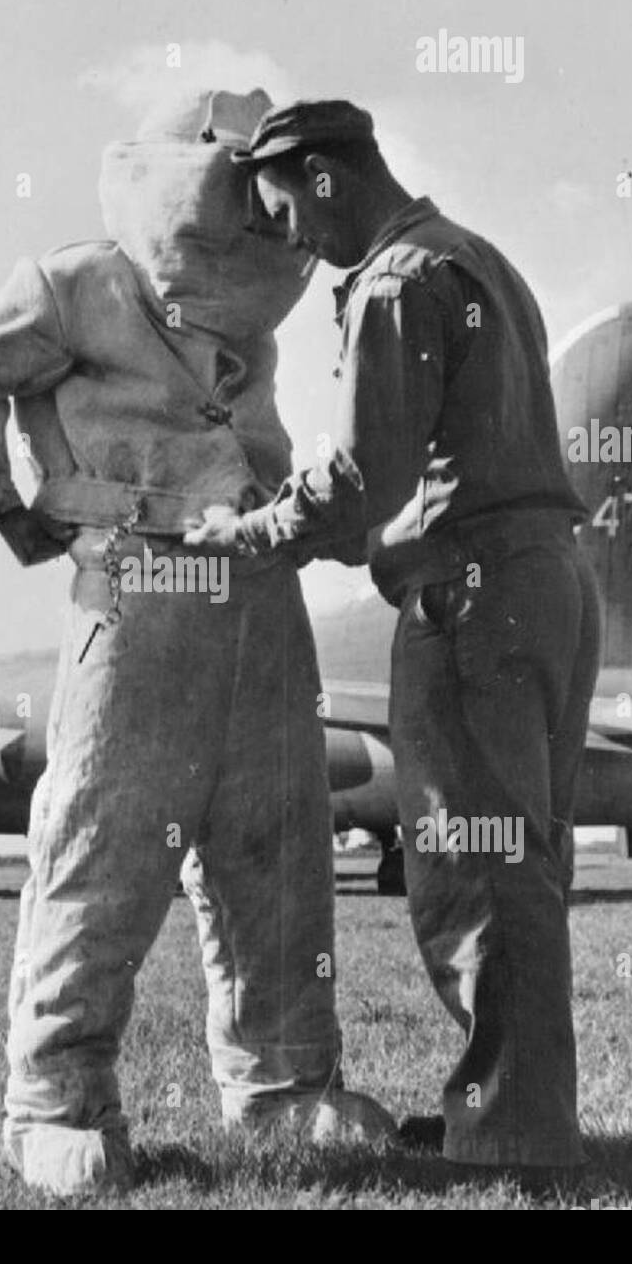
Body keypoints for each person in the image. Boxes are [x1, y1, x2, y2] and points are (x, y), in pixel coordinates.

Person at [0, 89, 393, 1198]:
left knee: (278, 836)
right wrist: (2, 508)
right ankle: (53, 1099)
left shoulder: (256, 319)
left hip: (258, 581)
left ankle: (285, 1084)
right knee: (106, 836)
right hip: (139, 580)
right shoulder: (77, 281)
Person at [187, 99, 602, 1169]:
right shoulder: (477, 260)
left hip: (466, 599)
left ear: (323, 176)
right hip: (545, 581)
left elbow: (365, 480)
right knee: (524, 861)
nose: (288, 239)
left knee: (472, 866)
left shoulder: (390, 282)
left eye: (283, 208)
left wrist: (254, 531)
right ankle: (512, 1114)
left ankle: (508, 1136)